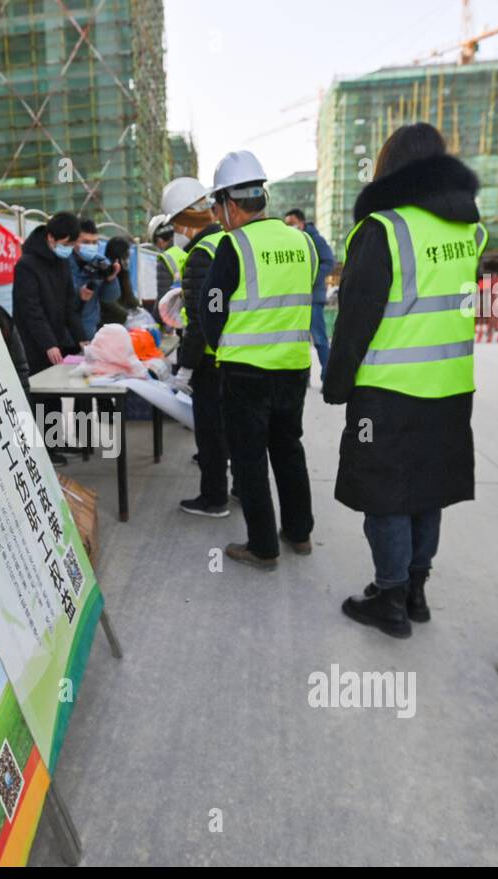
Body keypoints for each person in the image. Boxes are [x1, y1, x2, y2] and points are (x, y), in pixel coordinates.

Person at [322, 123, 486, 638]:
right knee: (426, 491)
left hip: (388, 392)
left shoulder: (384, 230)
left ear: (390, 168)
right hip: (450, 387)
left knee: (385, 495)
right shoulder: (469, 231)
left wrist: (336, 383)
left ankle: (389, 598)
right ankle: (416, 592)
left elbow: (355, 320)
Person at [201, 150, 317, 568]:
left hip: (246, 372)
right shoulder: (302, 241)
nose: (218, 216)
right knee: (289, 449)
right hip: (293, 367)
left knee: (250, 459)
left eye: (217, 206)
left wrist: (221, 346)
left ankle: (263, 546)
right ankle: (299, 533)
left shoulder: (234, 245)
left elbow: (211, 306)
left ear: (232, 204)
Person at [161, 176, 232, 517]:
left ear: (185, 220)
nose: (174, 231)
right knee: (232, 431)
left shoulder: (201, 253)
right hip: (233, 354)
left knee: (210, 434)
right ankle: (239, 492)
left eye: (175, 223)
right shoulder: (227, 241)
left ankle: (214, 498)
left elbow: (202, 319)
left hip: (209, 360)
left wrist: (186, 365)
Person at [12, 211, 89, 464]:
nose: (68, 249)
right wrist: (48, 343)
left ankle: (55, 443)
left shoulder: (61, 262)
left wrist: (82, 339)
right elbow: (31, 310)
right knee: (40, 395)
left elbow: (69, 307)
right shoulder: (27, 265)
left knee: (54, 394)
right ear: (51, 237)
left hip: (53, 339)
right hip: (32, 342)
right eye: (66, 244)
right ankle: (43, 450)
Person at [284, 209, 336, 380]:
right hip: (297, 299)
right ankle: (303, 377)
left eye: (291, 223)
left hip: (313, 298)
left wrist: (310, 278)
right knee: (299, 340)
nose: (289, 227)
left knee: (319, 338)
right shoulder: (291, 240)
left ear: (301, 222)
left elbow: (329, 261)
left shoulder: (315, 239)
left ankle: (328, 376)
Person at [69, 218, 120, 340]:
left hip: (90, 330)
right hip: (66, 333)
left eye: (94, 242)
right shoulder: (63, 263)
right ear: (73, 241)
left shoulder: (100, 262)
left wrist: (110, 280)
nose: (91, 246)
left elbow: (110, 298)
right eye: (86, 242)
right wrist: (79, 294)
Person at [150, 215, 185, 307]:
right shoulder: (190, 248)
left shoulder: (165, 259)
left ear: (160, 240)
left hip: (177, 317)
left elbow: (163, 302)